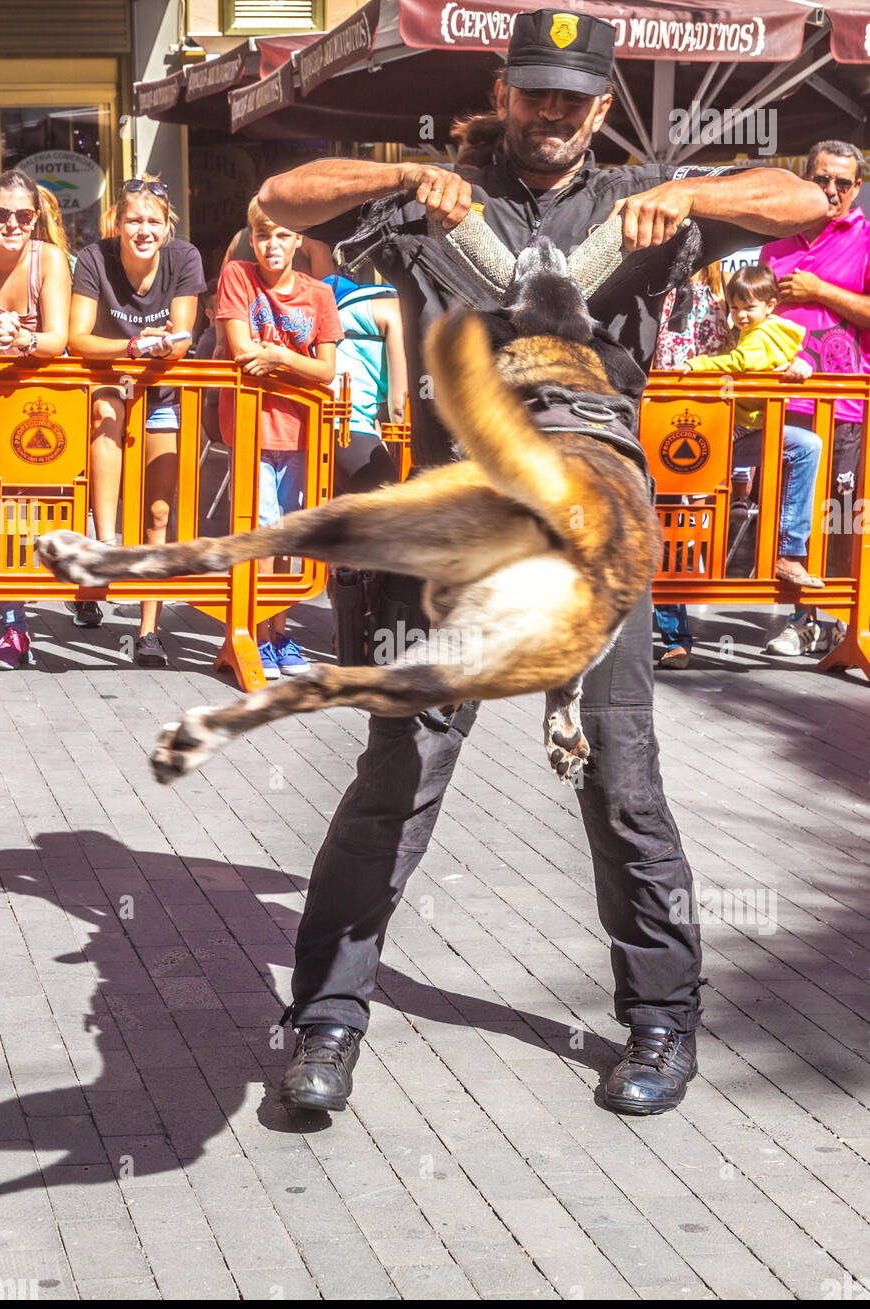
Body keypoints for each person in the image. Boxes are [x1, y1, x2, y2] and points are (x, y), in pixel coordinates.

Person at [257, 8, 829, 1118]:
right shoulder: (435, 198)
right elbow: (279, 201)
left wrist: (692, 194)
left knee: (621, 775)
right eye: (535, 92)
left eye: (573, 97)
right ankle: (325, 1019)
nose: (552, 113)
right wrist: (417, 176)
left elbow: (809, 197)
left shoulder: (639, 202)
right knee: (395, 782)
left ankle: (662, 1020)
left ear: (601, 108)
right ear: (505, 92)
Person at [69, 175, 206, 665]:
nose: (143, 230)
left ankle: (149, 630)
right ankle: (104, 553)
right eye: (133, 220)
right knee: (105, 415)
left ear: (166, 225)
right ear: (117, 223)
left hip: (162, 391)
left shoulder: (184, 257)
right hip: (109, 384)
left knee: (159, 512)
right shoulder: (94, 258)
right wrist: (132, 347)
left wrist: (168, 343)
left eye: (152, 221)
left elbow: (184, 337)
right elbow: (77, 339)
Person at [216, 196, 341, 679]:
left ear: (298, 241)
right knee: (263, 530)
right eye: (264, 234)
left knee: (289, 534)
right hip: (250, 428)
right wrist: (288, 361)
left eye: (283, 235)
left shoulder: (319, 295)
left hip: (301, 431)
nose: (272, 244)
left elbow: (326, 370)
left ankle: (278, 630)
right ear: (252, 236)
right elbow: (241, 349)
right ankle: (256, 635)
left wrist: (284, 359)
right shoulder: (237, 276)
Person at [758, 140, 870, 656]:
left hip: (842, 403)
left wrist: (819, 291)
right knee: (783, 514)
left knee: (837, 514)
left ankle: (827, 620)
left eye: (842, 183)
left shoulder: (865, 238)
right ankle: (801, 615)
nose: (830, 191)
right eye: (821, 179)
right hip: (779, 400)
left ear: (857, 188)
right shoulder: (774, 239)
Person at [683, 262, 824, 589]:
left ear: (770, 305)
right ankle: (693, 561)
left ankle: (784, 553)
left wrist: (696, 365)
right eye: (734, 308)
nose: (741, 315)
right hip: (739, 426)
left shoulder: (761, 336)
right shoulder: (759, 330)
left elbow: (740, 363)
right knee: (808, 445)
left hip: (737, 428)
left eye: (749, 308)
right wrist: (799, 363)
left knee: (807, 446)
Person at [0, 170, 71, 670]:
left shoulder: (50, 259)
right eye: (1, 214)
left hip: (33, 407)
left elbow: (57, 339)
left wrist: (21, 341)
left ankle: (16, 626)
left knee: (15, 514)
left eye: (23, 215)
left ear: (35, 218)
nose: (12, 223)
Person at [323, 273, 407, 664]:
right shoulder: (396, 310)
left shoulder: (351, 306)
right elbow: (402, 404)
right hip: (353, 428)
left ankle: (347, 635)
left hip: (325, 426)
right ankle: (370, 639)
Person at [652, 264, 733, 670]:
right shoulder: (650, 287)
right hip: (640, 417)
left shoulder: (712, 298)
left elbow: (725, 368)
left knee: (673, 531)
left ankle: (675, 636)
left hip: (687, 431)